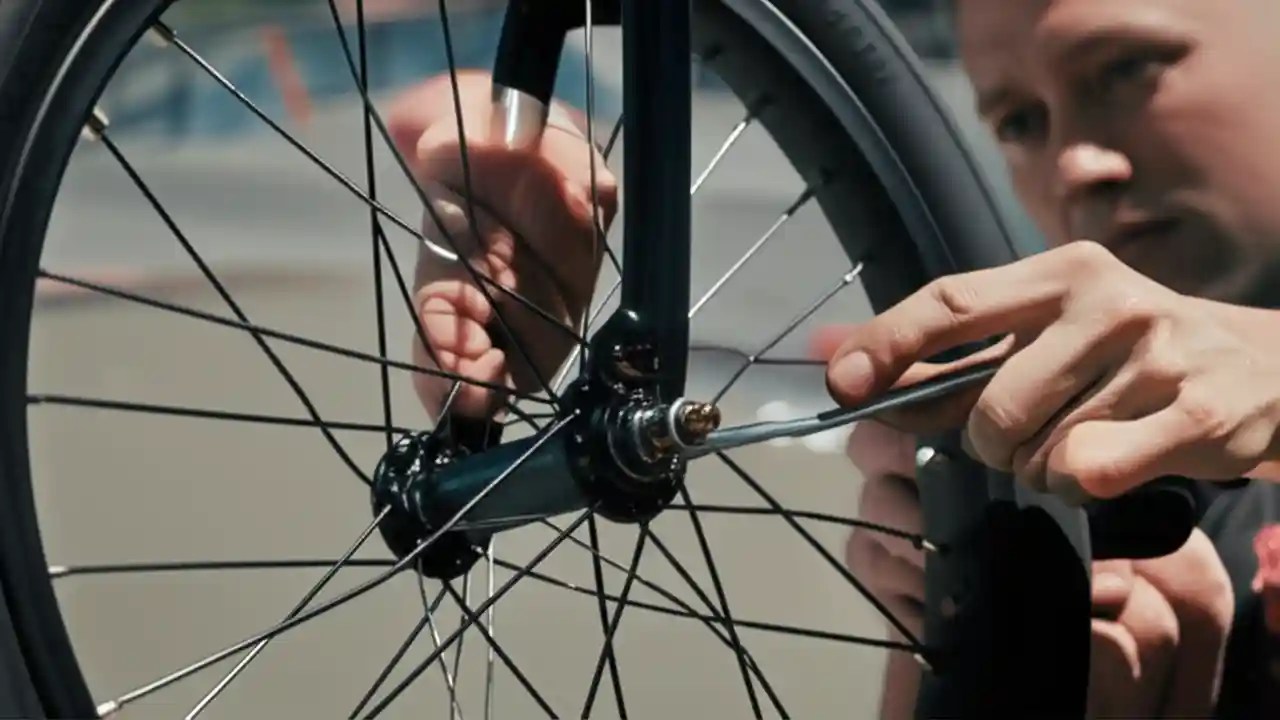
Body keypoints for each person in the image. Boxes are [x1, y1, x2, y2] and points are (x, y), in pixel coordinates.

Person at [383, 0, 1280, 716]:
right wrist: (958, 644)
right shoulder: (1066, 444)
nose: (1075, 163)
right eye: (1017, 121)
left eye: (1127, 68)